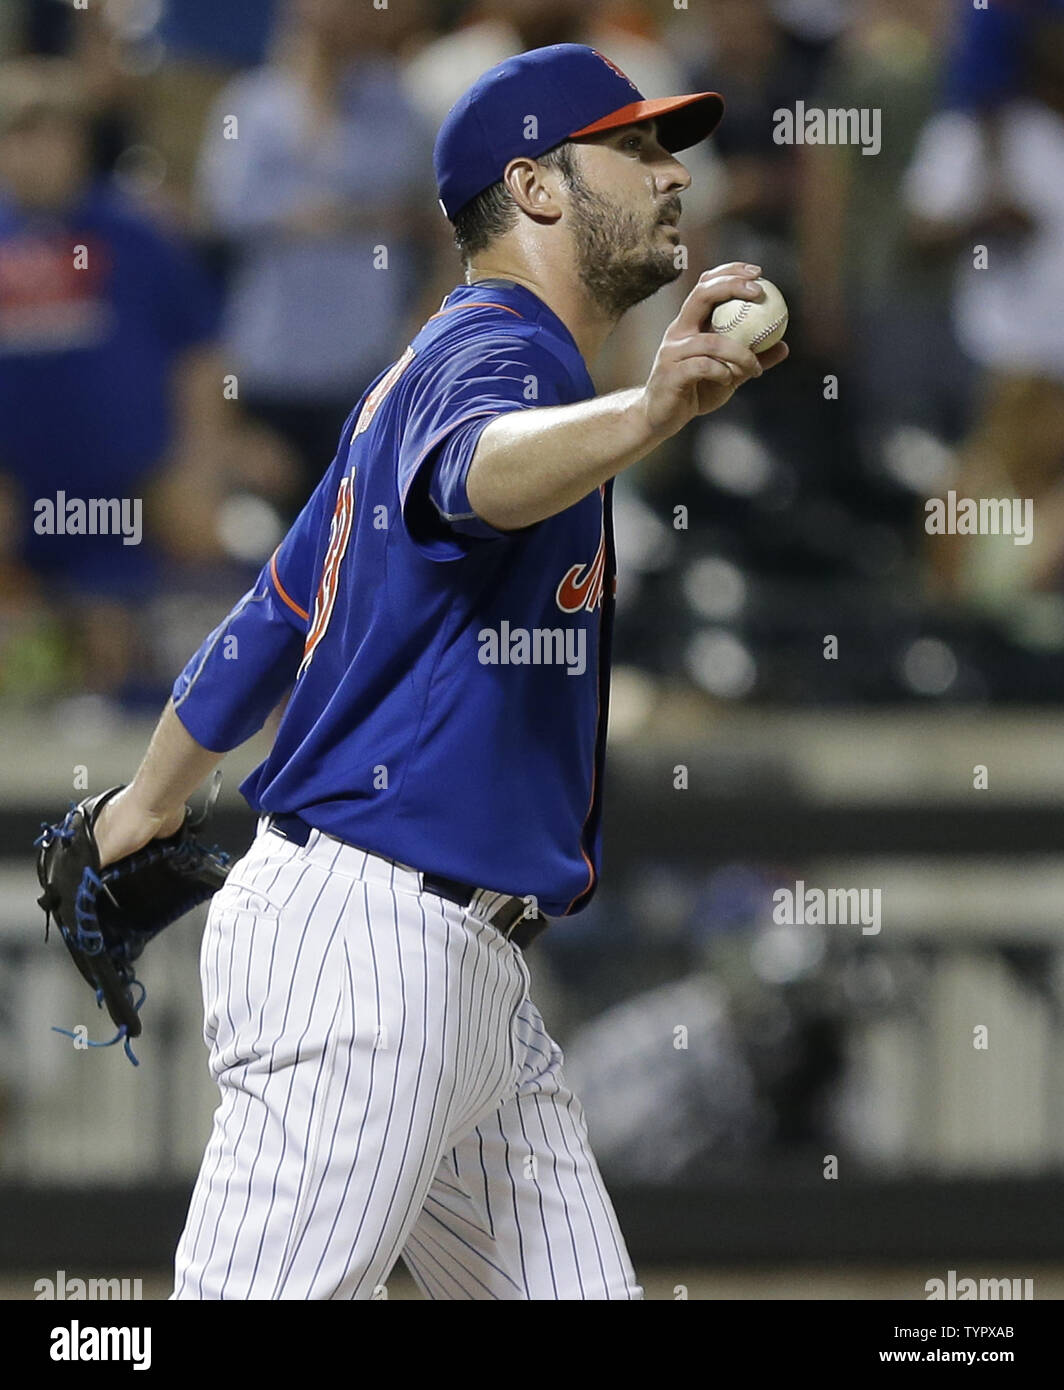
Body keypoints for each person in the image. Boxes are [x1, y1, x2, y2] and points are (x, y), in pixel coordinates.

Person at [92, 44, 787, 1301]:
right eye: (630, 148)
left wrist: (139, 807)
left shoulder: (408, 381)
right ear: (533, 189)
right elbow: (476, 471)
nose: (667, 173)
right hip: (374, 945)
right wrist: (647, 413)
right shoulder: (499, 352)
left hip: (460, 973)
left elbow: (272, 614)